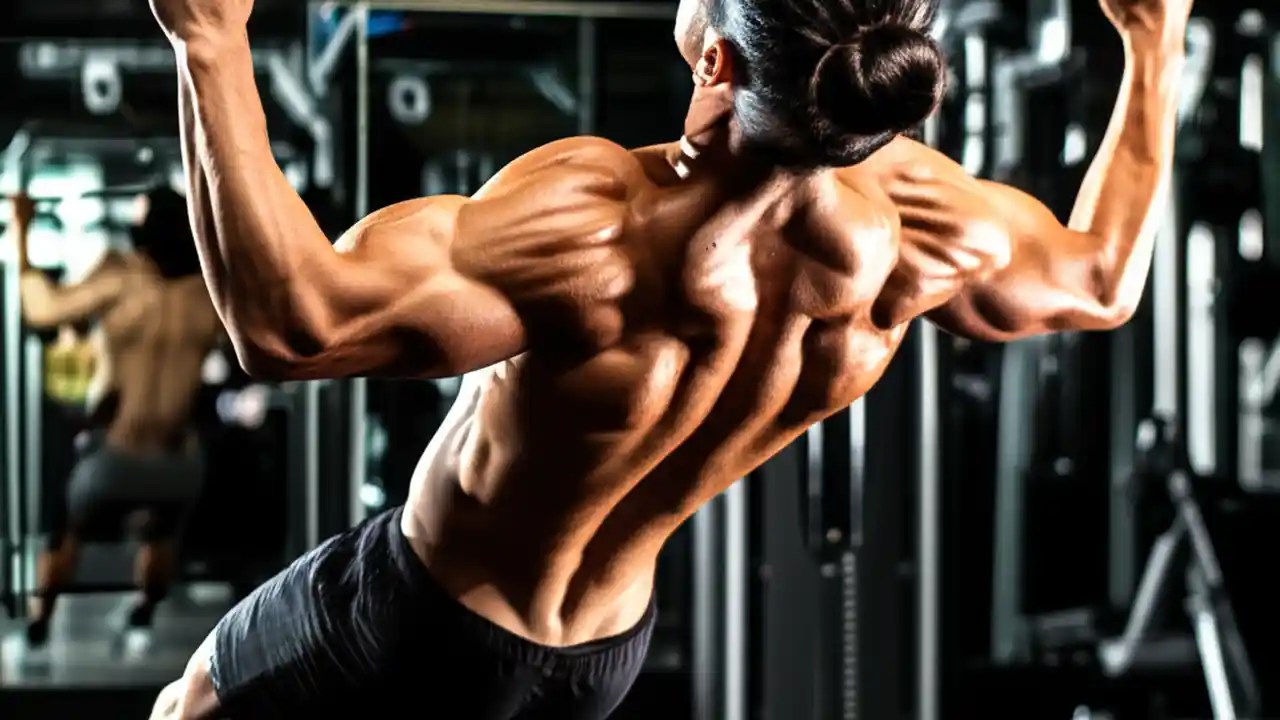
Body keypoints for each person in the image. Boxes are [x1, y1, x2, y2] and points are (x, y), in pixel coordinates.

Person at [147, 0, 1192, 716]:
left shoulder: (598, 222)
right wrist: (1156, 38)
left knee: (184, 705)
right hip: (602, 660)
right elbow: (1101, 279)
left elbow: (290, 326)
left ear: (713, 59)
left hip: (423, 614)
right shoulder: (919, 227)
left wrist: (209, 40)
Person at [9, 186, 223, 648]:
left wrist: (22, 230)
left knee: (65, 532)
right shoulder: (210, 293)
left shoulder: (122, 276)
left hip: (115, 458)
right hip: (178, 465)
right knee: (161, 531)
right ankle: (145, 607)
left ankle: (40, 617)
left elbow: (40, 310)